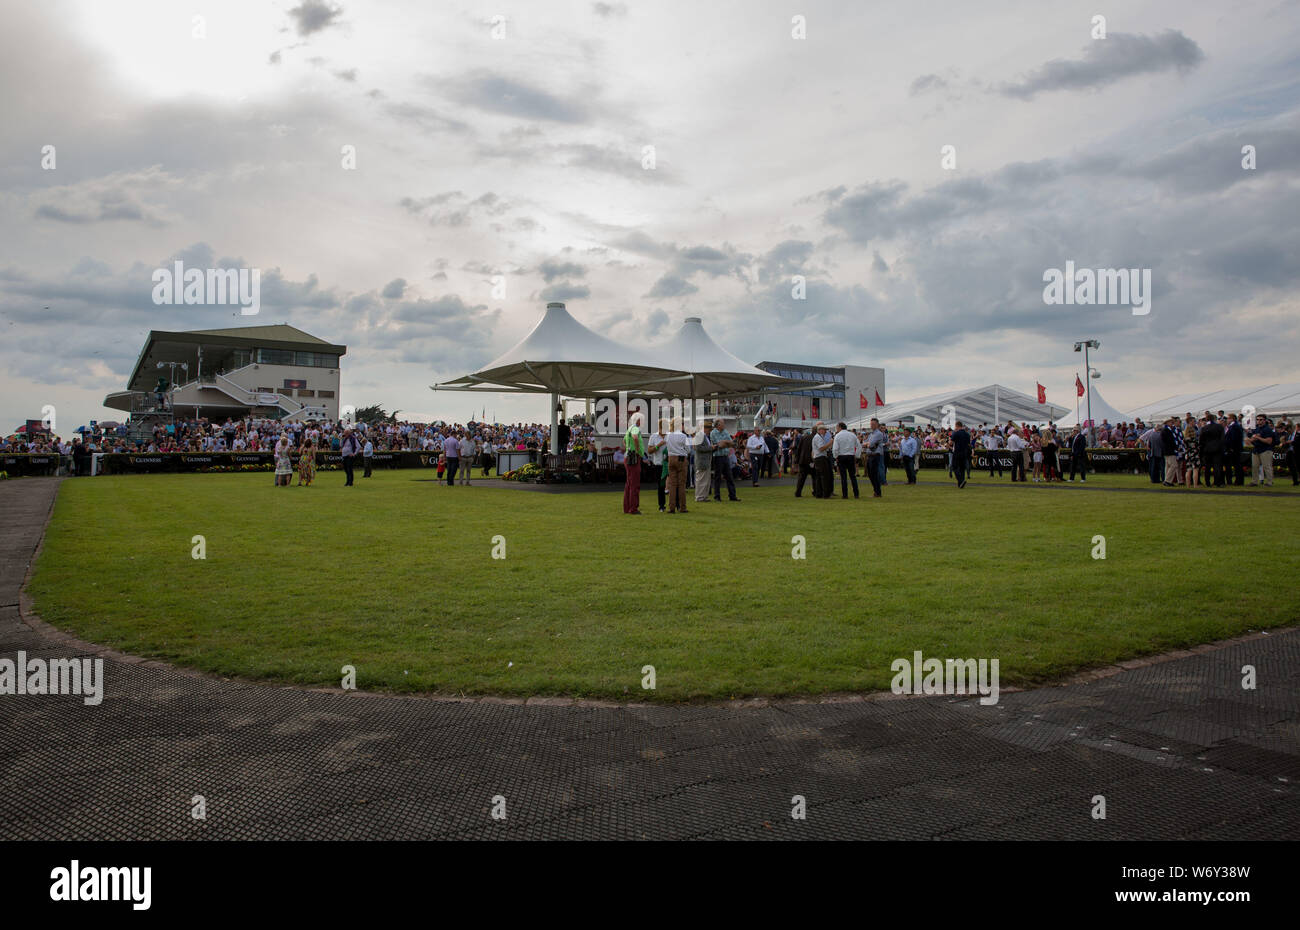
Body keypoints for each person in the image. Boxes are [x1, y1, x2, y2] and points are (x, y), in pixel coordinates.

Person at [710, 417, 739, 502]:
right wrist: (727, 443)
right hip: (718, 457)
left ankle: (732, 496)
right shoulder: (713, 433)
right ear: (718, 425)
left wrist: (725, 443)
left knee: (729, 477)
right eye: (723, 423)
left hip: (725, 456)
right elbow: (720, 445)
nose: (724, 425)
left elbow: (731, 443)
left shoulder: (725, 431)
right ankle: (717, 496)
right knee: (718, 477)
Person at [665, 417, 690, 513]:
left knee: (672, 484)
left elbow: (667, 448)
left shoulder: (668, 435)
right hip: (681, 458)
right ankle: (682, 507)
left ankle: (671, 507)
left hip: (671, 458)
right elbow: (688, 450)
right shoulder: (683, 436)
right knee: (681, 484)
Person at [623, 414, 646, 514]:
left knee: (629, 484)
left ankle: (627, 507)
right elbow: (635, 437)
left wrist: (629, 448)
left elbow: (623, 440)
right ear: (638, 420)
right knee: (634, 484)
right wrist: (637, 450)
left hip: (628, 457)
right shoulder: (635, 428)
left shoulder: (630, 428)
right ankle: (633, 508)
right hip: (634, 458)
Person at [832, 421, 860, 499]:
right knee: (852, 476)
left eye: (837, 427)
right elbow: (858, 446)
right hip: (851, 456)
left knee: (843, 477)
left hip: (842, 456)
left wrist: (836, 457)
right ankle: (856, 494)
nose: (836, 429)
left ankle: (845, 495)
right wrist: (856, 455)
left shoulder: (837, 436)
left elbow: (835, 448)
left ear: (840, 427)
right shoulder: (852, 435)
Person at [1247, 416, 1276, 487]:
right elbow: (1251, 438)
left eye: (1261, 420)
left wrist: (1258, 438)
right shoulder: (1256, 428)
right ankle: (1254, 481)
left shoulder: (1267, 429)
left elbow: (1269, 441)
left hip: (1265, 450)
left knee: (1267, 466)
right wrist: (1250, 439)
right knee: (1254, 466)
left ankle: (1269, 482)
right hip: (1256, 449)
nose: (1259, 421)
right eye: (1257, 420)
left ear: (1264, 420)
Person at [647, 420, 668, 511]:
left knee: (673, 485)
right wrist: (658, 445)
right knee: (661, 486)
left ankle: (676, 505)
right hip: (659, 464)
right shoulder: (654, 436)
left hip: (669, 463)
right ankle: (661, 505)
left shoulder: (670, 436)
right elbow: (649, 451)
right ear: (659, 428)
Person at [1199, 413, 1225, 487]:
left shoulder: (1204, 428)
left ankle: (1207, 482)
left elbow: (1201, 440)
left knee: (1207, 467)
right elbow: (1222, 439)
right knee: (1217, 466)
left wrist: (1203, 448)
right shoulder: (1219, 427)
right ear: (1214, 419)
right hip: (1217, 449)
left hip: (1207, 450)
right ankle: (1217, 482)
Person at [863, 418, 886, 497]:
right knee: (870, 474)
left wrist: (867, 444)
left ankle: (877, 492)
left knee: (874, 474)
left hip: (875, 455)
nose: (871, 425)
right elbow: (864, 443)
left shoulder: (878, 434)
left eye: (873, 424)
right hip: (870, 455)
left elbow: (871, 444)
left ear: (877, 425)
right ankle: (876, 491)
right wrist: (867, 444)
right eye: (871, 424)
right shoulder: (872, 434)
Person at [811, 422, 834, 499]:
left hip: (818, 458)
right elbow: (821, 448)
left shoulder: (818, 437)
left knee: (819, 477)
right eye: (824, 430)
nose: (825, 431)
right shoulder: (818, 437)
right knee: (824, 476)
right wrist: (830, 443)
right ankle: (825, 494)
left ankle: (819, 493)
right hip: (820, 458)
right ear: (819, 430)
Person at [693, 419, 714, 502]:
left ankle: (704, 496)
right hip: (701, 461)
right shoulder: (699, 436)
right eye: (709, 428)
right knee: (701, 480)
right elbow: (698, 448)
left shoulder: (704, 436)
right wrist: (710, 448)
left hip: (706, 460)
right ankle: (699, 496)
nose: (709, 430)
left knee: (706, 480)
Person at [793, 428, 816, 497]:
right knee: (815, 477)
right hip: (811, 460)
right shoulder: (816, 438)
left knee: (801, 478)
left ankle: (798, 492)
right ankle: (815, 491)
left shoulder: (804, 437)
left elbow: (799, 449)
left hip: (803, 460)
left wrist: (797, 460)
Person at [1224, 413, 1245, 486]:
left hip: (1234, 449)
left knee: (1237, 465)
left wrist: (1231, 447)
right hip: (1235, 448)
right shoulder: (1233, 426)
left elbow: (1234, 438)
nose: (1227, 420)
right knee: (1237, 465)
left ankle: (1239, 481)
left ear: (1232, 419)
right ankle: (1238, 480)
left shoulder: (1234, 427)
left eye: (1228, 418)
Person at [951, 421, 972, 488]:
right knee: (962, 468)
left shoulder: (956, 433)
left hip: (957, 452)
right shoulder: (967, 434)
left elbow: (951, 442)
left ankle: (960, 480)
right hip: (964, 452)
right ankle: (960, 484)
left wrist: (954, 432)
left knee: (954, 467)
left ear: (957, 426)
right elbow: (969, 443)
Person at [1182, 423, 1201, 488]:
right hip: (1195, 454)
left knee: (1188, 470)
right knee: (1195, 470)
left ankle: (1188, 485)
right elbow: (1198, 447)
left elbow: (1184, 447)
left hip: (1188, 454)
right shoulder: (1195, 439)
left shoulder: (1185, 440)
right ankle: (1195, 485)